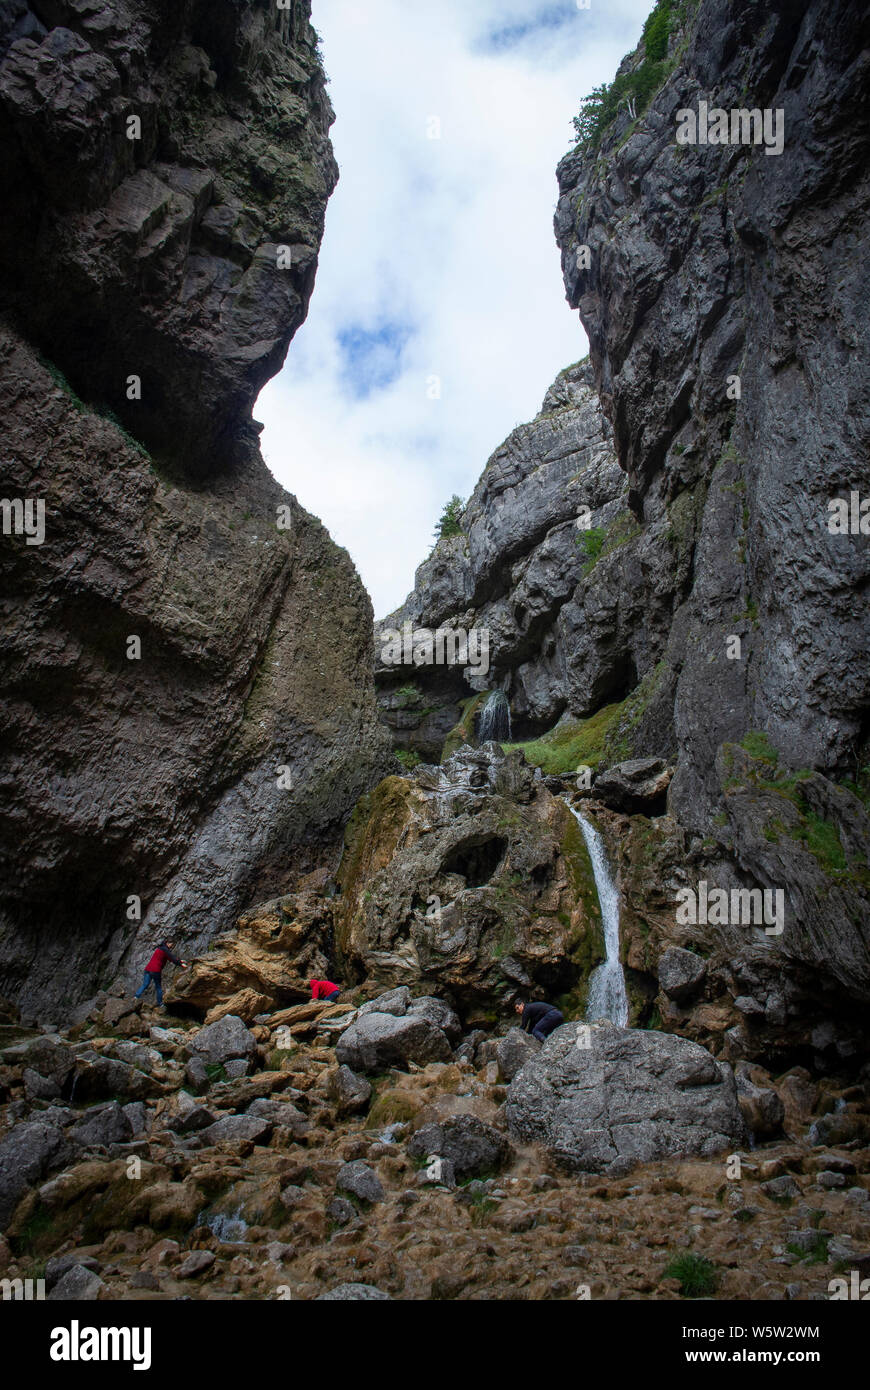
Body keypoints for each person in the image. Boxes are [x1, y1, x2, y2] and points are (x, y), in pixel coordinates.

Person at [134, 938, 187, 1008]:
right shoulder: (165, 950)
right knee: (158, 987)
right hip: (155, 970)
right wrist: (180, 964)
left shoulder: (160, 948)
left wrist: (180, 961)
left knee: (145, 984)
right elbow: (171, 958)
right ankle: (160, 1004)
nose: (172, 946)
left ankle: (136, 997)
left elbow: (171, 957)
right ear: (167, 943)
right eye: (171, 944)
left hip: (148, 969)